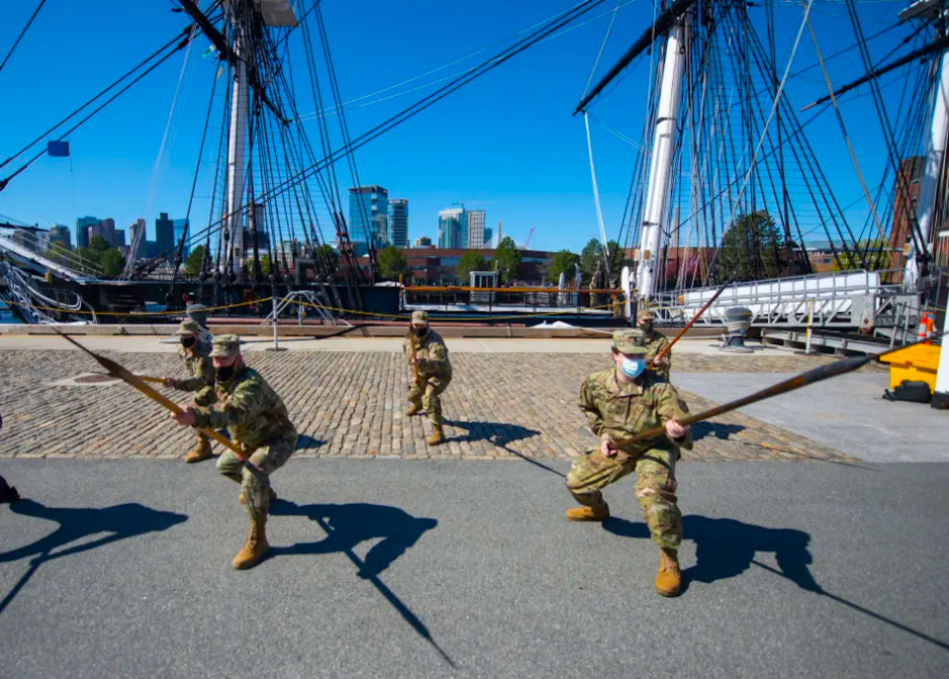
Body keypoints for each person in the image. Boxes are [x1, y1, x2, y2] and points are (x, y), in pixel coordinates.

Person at [566, 328, 692, 597]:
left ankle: (669, 559)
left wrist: (677, 432)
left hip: (654, 448)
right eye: (629, 355)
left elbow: (681, 427)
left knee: (655, 499)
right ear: (614, 355)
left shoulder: (661, 388)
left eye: (639, 355)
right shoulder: (595, 383)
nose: (635, 360)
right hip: (619, 446)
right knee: (576, 482)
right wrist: (603, 433)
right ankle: (598, 509)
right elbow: (587, 407)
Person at [170, 334, 298, 570]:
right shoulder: (221, 379)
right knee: (225, 466)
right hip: (249, 439)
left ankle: (258, 540)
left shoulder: (251, 384)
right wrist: (189, 406)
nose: (219, 364)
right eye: (216, 359)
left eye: (224, 358)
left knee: (251, 475)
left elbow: (232, 413)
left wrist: (196, 417)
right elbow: (209, 393)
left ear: (237, 358)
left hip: (277, 438)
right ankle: (264, 492)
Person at [162, 320, 216, 463]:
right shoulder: (182, 349)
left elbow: (200, 380)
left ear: (197, 335)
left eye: (188, 336)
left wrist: (175, 383)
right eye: (182, 336)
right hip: (204, 382)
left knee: (196, 406)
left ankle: (204, 448)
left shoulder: (204, 355)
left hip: (221, 384)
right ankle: (209, 425)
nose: (184, 339)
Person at [403, 310, 452, 446]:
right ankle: (418, 405)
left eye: (422, 325)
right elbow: (410, 361)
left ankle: (438, 432)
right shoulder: (409, 340)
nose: (419, 328)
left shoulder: (436, 342)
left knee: (429, 396)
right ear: (411, 324)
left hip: (439, 373)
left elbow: (438, 364)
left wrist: (421, 363)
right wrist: (414, 375)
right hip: (421, 373)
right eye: (416, 325)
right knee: (412, 395)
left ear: (428, 324)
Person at [638, 308, 671, 379]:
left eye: (651, 321)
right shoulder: (631, 338)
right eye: (645, 321)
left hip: (656, 379)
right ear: (637, 322)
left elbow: (667, 362)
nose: (648, 324)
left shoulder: (661, 339)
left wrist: (660, 362)